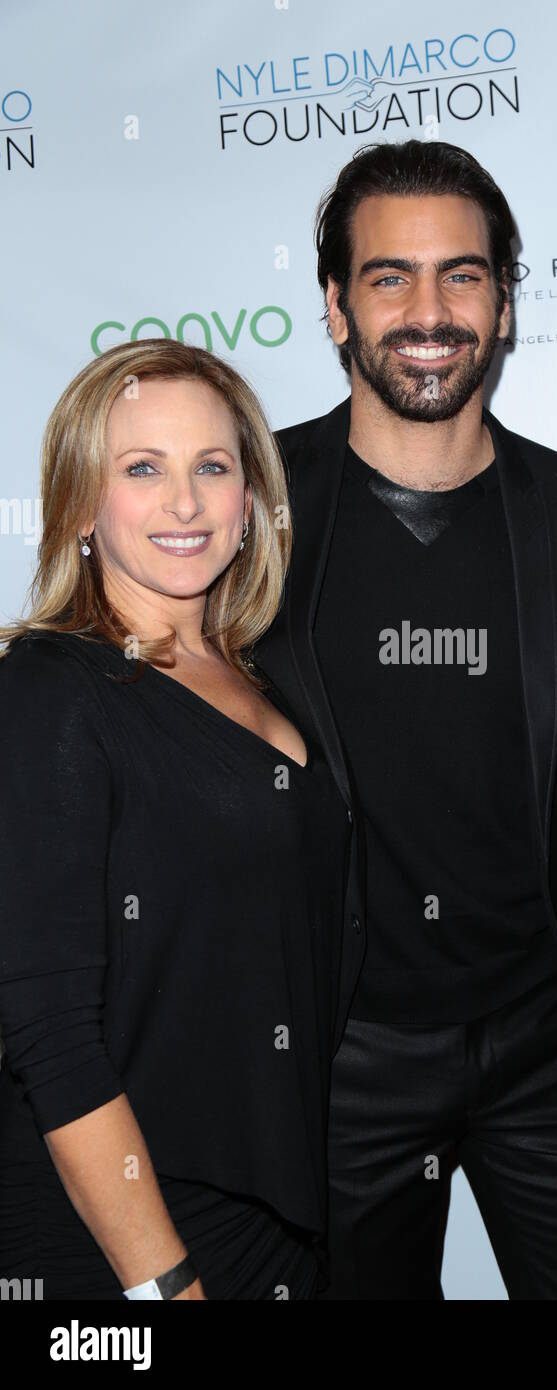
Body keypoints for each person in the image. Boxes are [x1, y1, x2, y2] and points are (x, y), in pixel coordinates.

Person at [251, 139, 557, 1300]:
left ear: (506, 302)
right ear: (333, 304)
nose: (429, 312)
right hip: (338, 1059)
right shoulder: (247, 512)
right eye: (388, 278)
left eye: (461, 276)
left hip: (550, 1044)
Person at [0, 340, 351, 1299]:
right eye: (142, 468)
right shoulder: (50, 691)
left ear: (251, 496)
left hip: (278, 1217)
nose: (185, 503)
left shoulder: (270, 678)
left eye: (213, 466)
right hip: (123, 1239)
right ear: (79, 503)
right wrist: (165, 1286)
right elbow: (50, 1033)